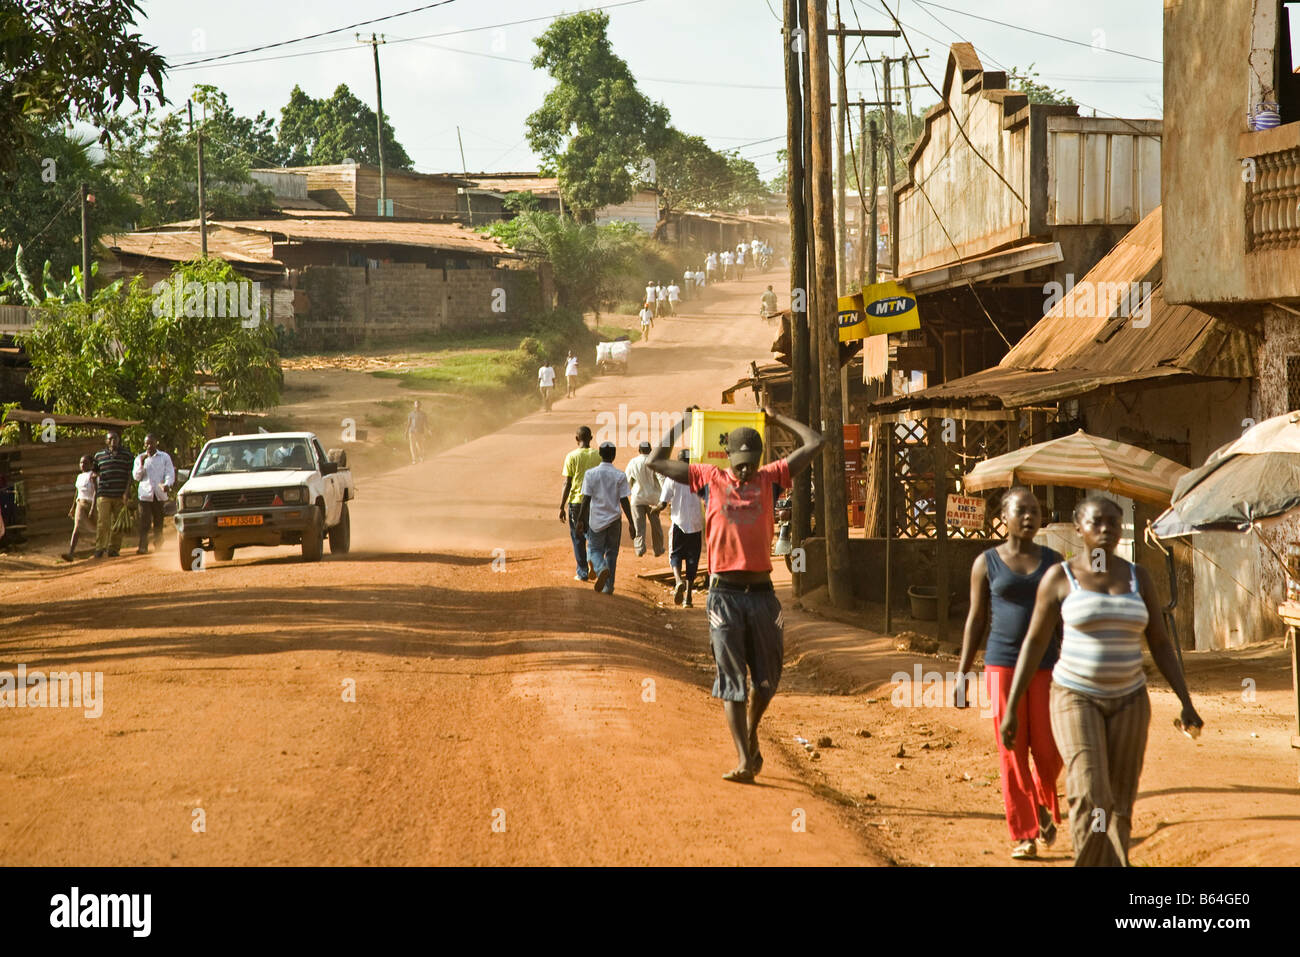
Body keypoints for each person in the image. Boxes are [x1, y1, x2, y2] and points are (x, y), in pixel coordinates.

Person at [1000, 494, 1204, 867]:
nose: (1107, 529)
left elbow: (1159, 642)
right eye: (1097, 522)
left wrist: (1186, 701)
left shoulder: (1137, 576)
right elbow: (1034, 642)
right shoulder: (1059, 578)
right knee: (1090, 792)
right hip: (1076, 696)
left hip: (1129, 699)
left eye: (1113, 521)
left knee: (1119, 799)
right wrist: (1011, 707)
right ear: (1079, 529)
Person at [648, 404, 823, 783]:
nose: (745, 469)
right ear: (728, 458)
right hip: (724, 596)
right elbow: (655, 462)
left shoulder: (772, 478)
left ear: (759, 460)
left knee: (766, 681)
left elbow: (815, 442)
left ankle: (751, 728)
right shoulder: (708, 478)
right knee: (732, 680)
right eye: (739, 462)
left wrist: (777, 419)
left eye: (751, 462)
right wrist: (684, 422)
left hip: (762, 596)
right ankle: (745, 759)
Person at [956, 487, 1063, 861]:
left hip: (1046, 666)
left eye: (1036, 510)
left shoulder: (1055, 562)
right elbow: (976, 618)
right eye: (1022, 511)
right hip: (1001, 664)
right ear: (1004, 516)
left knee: (1051, 751)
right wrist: (961, 673)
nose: (1031, 517)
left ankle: (1040, 807)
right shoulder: (985, 563)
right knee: (1012, 751)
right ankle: (1025, 834)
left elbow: (1064, 619)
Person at [576, 441, 636, 595]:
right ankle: (608, 587)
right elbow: (624, 500)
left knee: (595, 549)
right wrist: (631, 522)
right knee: (612, 552)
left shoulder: (591, 474)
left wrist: (580, 520)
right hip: (615, 519)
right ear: (614, 456)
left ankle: (601, 568)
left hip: (596, 519)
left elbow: (586, 499)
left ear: (600, 455)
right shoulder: (620, 475)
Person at [654, 449, 704, 606]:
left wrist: (655, 510)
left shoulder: (672, 478)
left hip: (679, 524)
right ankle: (688, 597)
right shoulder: (699, 477)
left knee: (675, 555)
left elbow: (663, 503)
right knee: (692, 560)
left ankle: (677, 580)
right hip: (696, 525)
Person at [559, 426, 601, 582]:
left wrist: (561, 506)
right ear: (591, 438)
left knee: (578, 537)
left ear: (577, 439)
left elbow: (567, 482)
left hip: (576, 502)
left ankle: (582, 572)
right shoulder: (598, 455)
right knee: (593, 535)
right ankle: (595, 563)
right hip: (595, 502)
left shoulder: (571, 456)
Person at [92, 430, 133, 558]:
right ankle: (100, 548)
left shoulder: (127, 455)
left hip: (120, 494)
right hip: (104, 494)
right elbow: (94, 473)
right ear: (106, 441)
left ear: (119, 440)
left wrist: (127, 492)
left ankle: (114, 548)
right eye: (110, 439)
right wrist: (96, 489)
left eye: (115, 438)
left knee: (117, 523)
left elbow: (129, 475)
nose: (113, 441)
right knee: (103, 522)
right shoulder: (99, 456)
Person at [132, 432, 174, 555]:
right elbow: (136, 477)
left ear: (156, 443)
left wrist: (167, 484)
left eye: (151, 443)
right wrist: (141, 463)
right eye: (147, 444)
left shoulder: (164, 457)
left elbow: (169, 473)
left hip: (159, 494)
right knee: (144, 522)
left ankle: (158, 545)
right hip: (145, 494)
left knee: (158, 521)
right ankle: (142, 547)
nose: (149, 446)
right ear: (144, 445)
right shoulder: (139, 458)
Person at [624, 440, 664, 558]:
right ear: (651, 450)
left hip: (637, 498)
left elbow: (627, 480)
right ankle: (658, 549)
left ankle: (640, 549)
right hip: (653, 500)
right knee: (656, 526)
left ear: (639, 450)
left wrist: (630, 491)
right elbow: (661, 478)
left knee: (638, 526)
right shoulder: (655, 462)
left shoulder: (633, 462)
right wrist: (664, 496)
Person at [63, 454, 98, 561]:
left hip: (91, 503)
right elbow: (77, 492)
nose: (82, 465)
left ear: (91, 465)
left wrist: (92, 508)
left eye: (85, 463)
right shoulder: (79, 477)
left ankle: (101, 549)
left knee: (96, 527)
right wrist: (73, 506)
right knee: (77, 526)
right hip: (80, 503)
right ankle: (71, 552)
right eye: (81, 463)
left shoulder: (93, 476)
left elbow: (96, 492)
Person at [406, 400, 430, 464]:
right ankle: (414, 459)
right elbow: (408, 424)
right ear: (414, 405)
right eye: (416, 404)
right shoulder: (411, 414)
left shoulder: (423, 414)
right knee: (412, 446)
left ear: (420, 405)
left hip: (420, 431)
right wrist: (405, 432)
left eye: (418, 404)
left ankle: (421, 457)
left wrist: (429, 430)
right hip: (412, 432)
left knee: (420, 445)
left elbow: (426, 423)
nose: (417, 405)